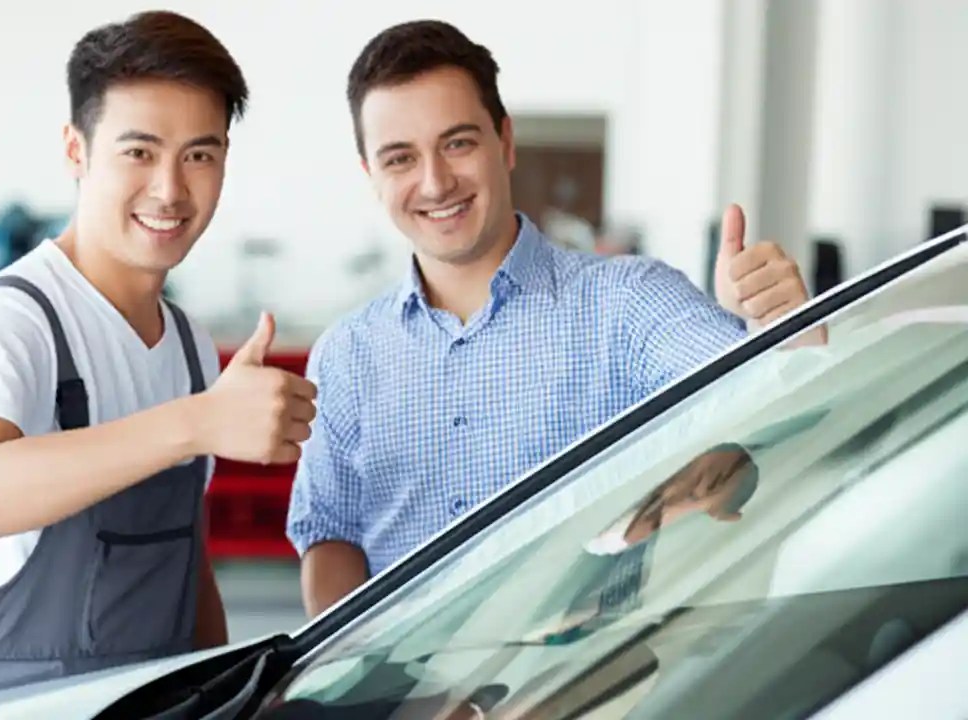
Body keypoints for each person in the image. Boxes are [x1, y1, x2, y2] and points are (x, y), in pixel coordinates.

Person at [288, 19, 817, 619]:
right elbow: (330, 535)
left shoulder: (626, 303)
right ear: (371, 175)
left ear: (505, 143)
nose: (434, 182)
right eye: (400, 158)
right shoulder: (346, 352)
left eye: (458, 143)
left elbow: (775, 408)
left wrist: (779, 329)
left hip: (588, 688)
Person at [0, 11, 316, 700]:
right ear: (76, 150)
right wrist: (197, 423)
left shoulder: (190, 346)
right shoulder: (11, 320)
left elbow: (189, 575)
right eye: (139, 152)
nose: (170, 189)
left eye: (200, 154)